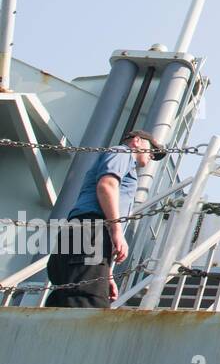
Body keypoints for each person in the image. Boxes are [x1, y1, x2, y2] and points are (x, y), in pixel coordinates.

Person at [46, 129, 165, 308]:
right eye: (152, 151)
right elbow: (107, 185)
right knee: (86, 302)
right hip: (93, 229)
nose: (151, 157)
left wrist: (106, 274)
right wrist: (117, 231)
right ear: (137, 141)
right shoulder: (122, 153)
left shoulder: (124, 161)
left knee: (64, 299)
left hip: (83, 232)